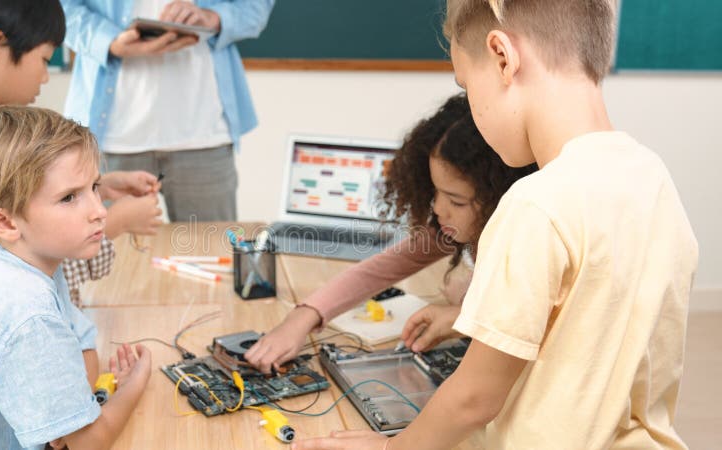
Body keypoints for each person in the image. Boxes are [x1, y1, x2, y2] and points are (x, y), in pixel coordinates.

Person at [292, 1, 698, 449]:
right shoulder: (651, 176)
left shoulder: (535, 203)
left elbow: (475, 399)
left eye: (466, 85)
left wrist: (391, 447)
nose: (471, 105)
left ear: (503, 57)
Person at [245, 94, 536, 373]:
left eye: (456, 201)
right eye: (435, 192)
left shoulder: (533, 242)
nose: (438, 208)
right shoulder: (452, 228)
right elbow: (381, 269)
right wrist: (302, 317)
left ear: (500, 196)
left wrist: (463, 316)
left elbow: (538, 319)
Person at [0, 0, 163, 316]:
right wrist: (115, 222)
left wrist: (98, 187)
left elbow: (24, 205)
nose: (46, 77)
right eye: (44, 59)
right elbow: (22, 273)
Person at [0, 106, 151, 450]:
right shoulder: (26, 313)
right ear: (5, 222)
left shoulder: (19, 262)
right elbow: (87, 442)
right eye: (69, 197)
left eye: (94, 186)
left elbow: (82, 351)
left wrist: (75, 404)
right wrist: (134, 384)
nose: (99, 211)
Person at [61, 0, 275, 222]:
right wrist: (107, 41)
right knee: (104, 243)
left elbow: (256, 6)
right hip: (112, 138)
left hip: (204, 133)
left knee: (211, 244)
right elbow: (58, 8)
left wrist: (213, 17)